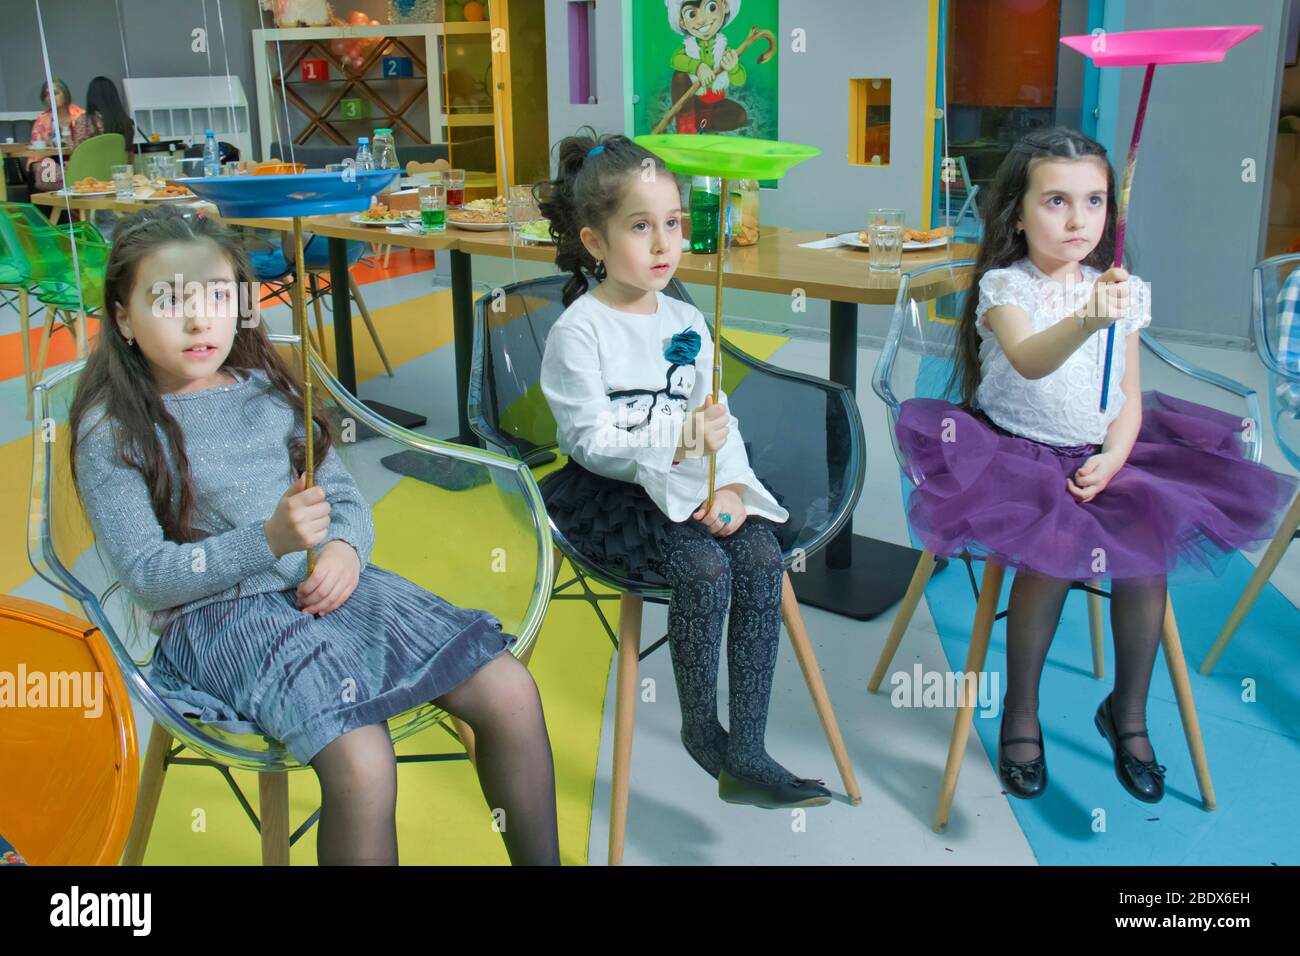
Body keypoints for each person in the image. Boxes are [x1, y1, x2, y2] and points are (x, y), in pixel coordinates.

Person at [70, 206, 560, 865]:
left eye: (217, 296)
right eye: (168, 299)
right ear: (124, 317)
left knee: (507, 688)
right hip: (215, 620)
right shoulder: (115, 430)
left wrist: (344, 549)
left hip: (323, 587)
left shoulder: (269, 391)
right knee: (361, 758)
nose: (198, 318)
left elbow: (345, 500)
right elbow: (149, 575)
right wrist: (267, 540)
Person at [894, 127, 1299, 804]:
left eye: (1095, 201)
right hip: (1014, 454)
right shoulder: (1004, 288)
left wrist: (1115, 454)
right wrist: (1089, 316)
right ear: (1016, 214)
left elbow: (1130, 400)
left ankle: (1128, 714)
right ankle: (1021, 713)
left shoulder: (1120, 290)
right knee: (1049, 560)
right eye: (1055, 201)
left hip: (1100, 454)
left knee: (1145, 558)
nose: (1079, 219)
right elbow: (1029, 360)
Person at [535, 129, 830, 809]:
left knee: (759, 556)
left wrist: (728, 482)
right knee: (702, 568)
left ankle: (748, 753)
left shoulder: (686, 319)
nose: (666, 244)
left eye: (673, 223)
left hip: (698, 477)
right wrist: (674, 440)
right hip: (619, 491)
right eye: (641, 227)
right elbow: (587, 438)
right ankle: (703, 731)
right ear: (597, 243)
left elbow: (716, 413)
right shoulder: (580, 331)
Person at [26, 78, 84, 193]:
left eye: (55, 93)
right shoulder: (42, 120)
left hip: (78, 161)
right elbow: (36, 155)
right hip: (51, 163)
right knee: (47, 173)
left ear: (65, 94)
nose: (51, 97)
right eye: (47, 94)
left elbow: (87, 147)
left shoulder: (81, 116)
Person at [74, 76, 136, 158]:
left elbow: (79, 151)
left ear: (91, 96)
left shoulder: (85, 120)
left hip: (93, 168)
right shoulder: (125, 122)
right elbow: (130, 155)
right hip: (121, 168)